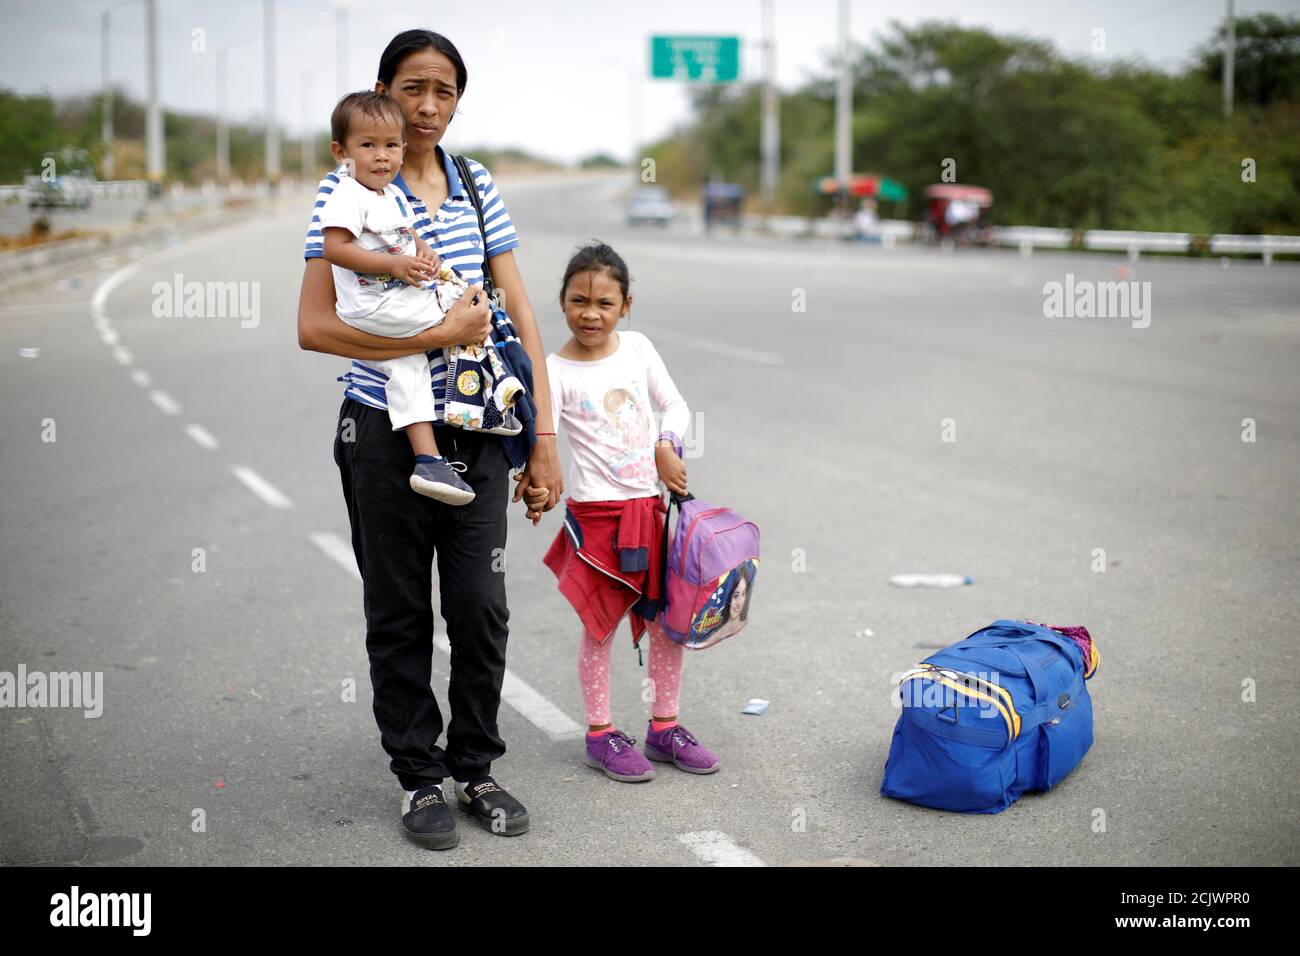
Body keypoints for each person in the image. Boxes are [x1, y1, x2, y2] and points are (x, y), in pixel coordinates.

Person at [296, 29, 564, 851]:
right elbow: (315, 327)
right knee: (401, 611)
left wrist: (543, 436)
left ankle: (476, 764)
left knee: (482, 609)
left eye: (443, 91)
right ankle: (419, 778)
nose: (427, 107)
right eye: (412, 88)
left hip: (481, 432)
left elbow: (519, 310)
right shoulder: (348, 190)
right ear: (384, 91)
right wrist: (431, 336)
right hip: (382, 432)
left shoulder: (478, 186)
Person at [541, 241, 720, 783]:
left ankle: (664, 728)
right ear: (563, 301)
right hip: (597, 517)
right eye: (578, 301)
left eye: (604, 303)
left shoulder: (637, 349)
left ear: (626, 306)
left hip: (651, 510)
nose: (590, 314)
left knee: (668, 623)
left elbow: (676, 404)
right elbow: (540, 438)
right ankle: (600, 734)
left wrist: (667, 444)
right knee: (600, 627)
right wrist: (535, 482)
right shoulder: (554, 371)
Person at [316, 90, 524, 506]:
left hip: (395, 300)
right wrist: (392, 266)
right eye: (368, 146)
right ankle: (484, 399)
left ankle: (432, 456)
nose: (381, 157)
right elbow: (334, 248)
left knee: (418, 353)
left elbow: (404, 233)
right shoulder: (344, 193)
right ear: (341, 152)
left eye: (391, 146)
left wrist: (422, 251)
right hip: (372, 306)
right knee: (460, 313)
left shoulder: (388, 194)